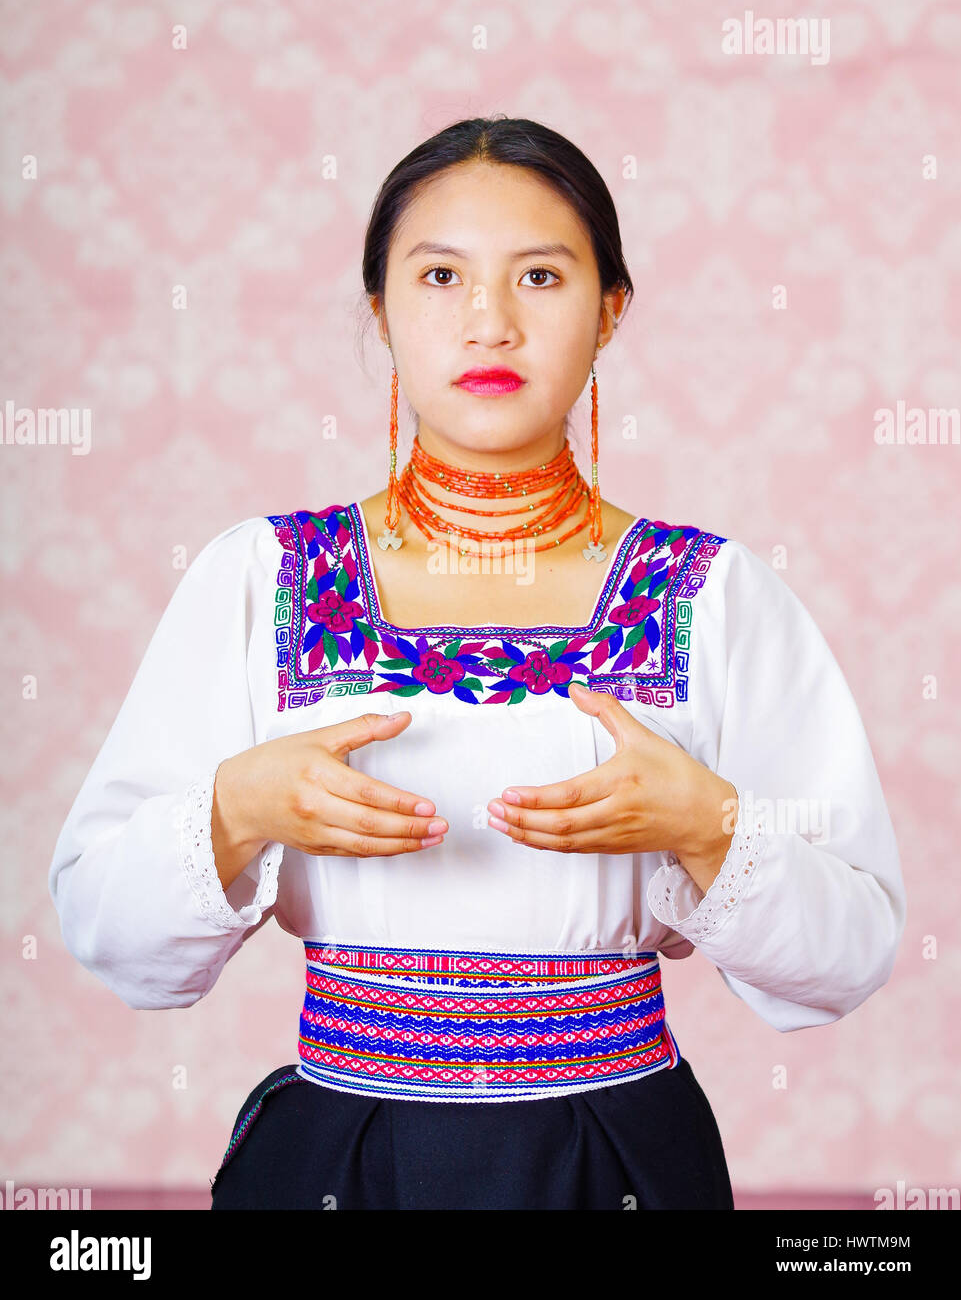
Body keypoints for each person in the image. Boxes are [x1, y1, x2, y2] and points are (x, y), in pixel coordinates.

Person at [49, 116, 906, 1211]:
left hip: (621, 1155)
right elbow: (108, 933)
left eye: (540, 277)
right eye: (440, 275)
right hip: (340, 1154)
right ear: (381, 311)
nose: (488, 321)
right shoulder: (263, 577)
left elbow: (848, 954)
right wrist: (235, 805)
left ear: (610, 312)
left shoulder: (712, 591)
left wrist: (708, 824)